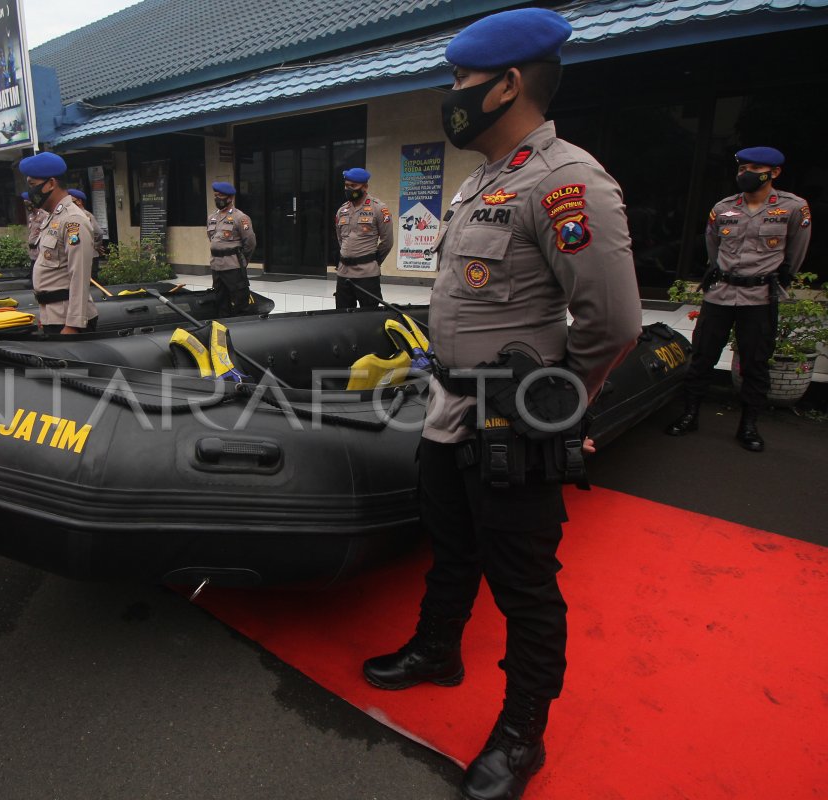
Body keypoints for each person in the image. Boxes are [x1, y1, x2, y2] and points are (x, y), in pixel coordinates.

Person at [359, 10, 641, 800]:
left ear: (507, 82)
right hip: (450, 410)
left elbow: (613, 322)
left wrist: (555, 406)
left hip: (512, 424)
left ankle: (522, 736)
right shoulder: (488, 177)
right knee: (450, 548)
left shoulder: (566, 181)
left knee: (524, 585)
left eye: (459, 81)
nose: (451, 95)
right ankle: (437, 651)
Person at [666, 147, 811, 451]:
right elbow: (712, 246)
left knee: (755, 364)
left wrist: (777, 279)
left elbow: (795, 253)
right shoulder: (722, 207)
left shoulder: (793, 208)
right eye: (742, 167)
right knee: (703, 356)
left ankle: (748, 426)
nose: (746, 173)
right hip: (720, 294)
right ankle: (690, 414)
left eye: (755, 168)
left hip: (759, 298)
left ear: (774, 173)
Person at [19, 152, 98, 334]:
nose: (30, 192)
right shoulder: (52, 218)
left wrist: (73, 325)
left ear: (51, 184)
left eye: (33, 185)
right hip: (53, 315)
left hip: (69, 321)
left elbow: (79, 275)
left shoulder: (73, 220)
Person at [334, 167, 393, 309]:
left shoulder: (379, 209)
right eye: (346, 185)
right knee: (341, 316)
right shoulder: (342, 210)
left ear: (365, 187)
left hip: (366, 274)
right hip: (343, 273)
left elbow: (387, 242)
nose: (348, 189)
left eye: (353, 186)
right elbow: (340, 239)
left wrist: (372, 260)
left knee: (369, 317)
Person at [205, 181, 257, 316]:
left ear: (230, 198)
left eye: (221, 196)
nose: (217, 199)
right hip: (216, 267)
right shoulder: (212, 218)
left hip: (233, 267)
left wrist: (242, 261)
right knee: (221, 301)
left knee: (240, 302)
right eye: (216, 196)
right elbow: (212, 239)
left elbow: (250, 242)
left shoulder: (240, 217)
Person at [22, 191, 48, 263]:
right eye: (25, 204)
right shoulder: (30, 216)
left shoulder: (44, 215)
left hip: (41, 252)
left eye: (28, 203)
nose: (27, 206)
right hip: (33, 252)